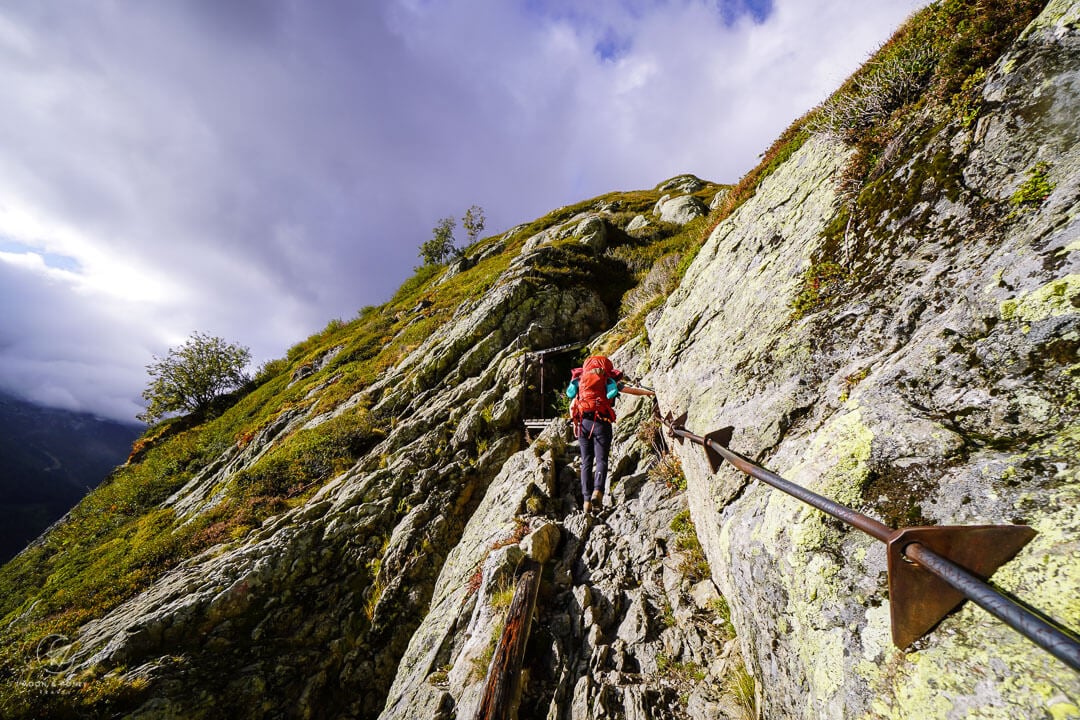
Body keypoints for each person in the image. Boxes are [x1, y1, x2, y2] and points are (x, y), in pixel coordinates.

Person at [566, 355, 655, 513]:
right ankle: (598, 491)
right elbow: (630, 390)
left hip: (583, 425)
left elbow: (573, 403)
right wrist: (648, 393)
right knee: (601, 459)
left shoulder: (580, 380)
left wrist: (575, 423)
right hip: (601, 422)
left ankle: (586, 501)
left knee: (586, 462)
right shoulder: (607, 379)